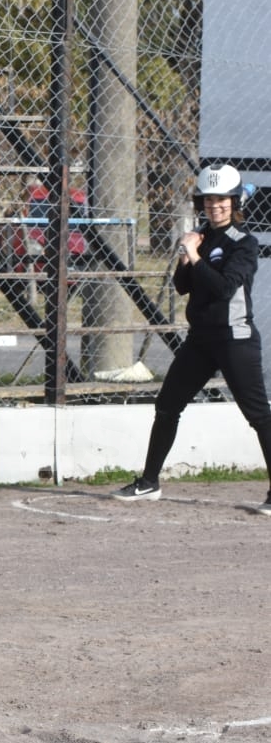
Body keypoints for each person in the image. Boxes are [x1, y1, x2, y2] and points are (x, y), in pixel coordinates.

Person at [113, 163, 271, 510]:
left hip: (235, 339)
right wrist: (186, 256)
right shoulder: (203, 235)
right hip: (200, 340)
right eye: (209, 200)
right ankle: (149, 482)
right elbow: (183, 287)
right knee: (167, 406)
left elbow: (224, 287)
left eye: (223, 200)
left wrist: (195, 254)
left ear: (234, 201)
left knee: (259, 415)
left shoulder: (244, 243)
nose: (215, 206)